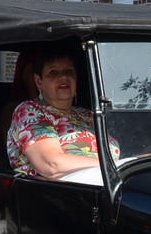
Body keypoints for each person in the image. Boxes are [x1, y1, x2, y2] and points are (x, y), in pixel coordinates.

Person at [7, 51, 116, 180]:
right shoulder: (29, 111)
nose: (64, 77)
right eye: (53, 72)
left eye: (69, 71)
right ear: (39, 81)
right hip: (58, 195)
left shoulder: (88, 115)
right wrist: (115, 166)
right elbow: (51, 164)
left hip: (113, 187)